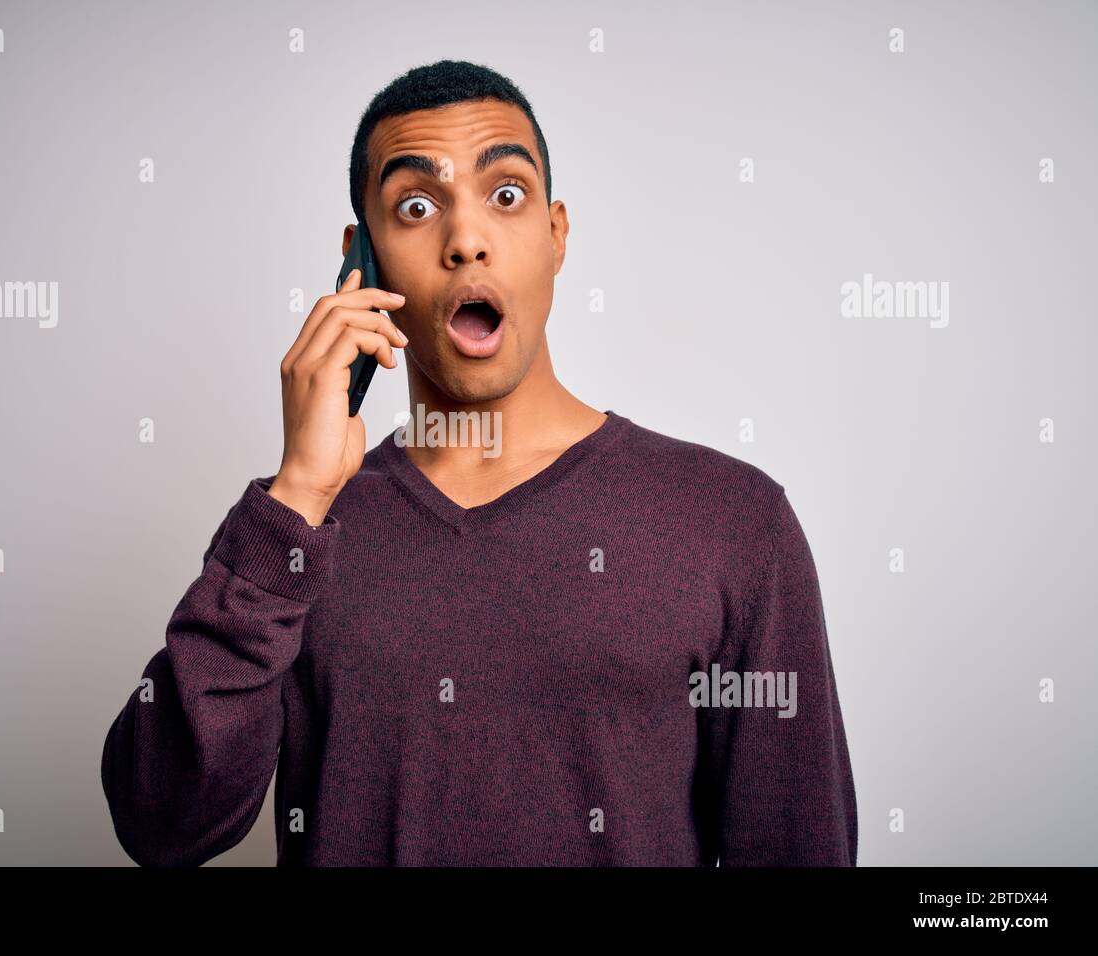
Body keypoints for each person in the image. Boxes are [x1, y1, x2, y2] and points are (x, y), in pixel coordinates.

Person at [100, 59, 858, 867]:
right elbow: (162, 823)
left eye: (505, 196)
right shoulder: (298, 536)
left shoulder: (733, 522)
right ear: (363, 264)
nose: (466, 239)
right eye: (417, 207)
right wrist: (295, 498)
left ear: (556, 236)